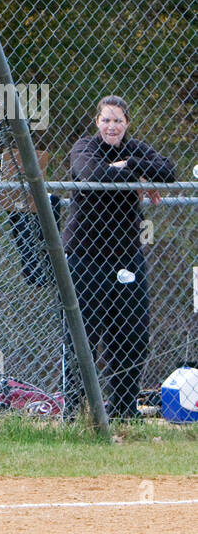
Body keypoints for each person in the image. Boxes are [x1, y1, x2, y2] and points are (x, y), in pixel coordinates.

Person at [62, 95, 175, 421]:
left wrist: (128, 166)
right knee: (83, 335)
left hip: (127, 256)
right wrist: (134, 177)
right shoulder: (84, 147)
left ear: (127, 123)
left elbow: (167, 170)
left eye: (118, 121)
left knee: (132, 335)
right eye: (106, 120)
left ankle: (125, 409)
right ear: (97, 122)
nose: (112, 126)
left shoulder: (134, 149)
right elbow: (93, 174)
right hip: (86, 257)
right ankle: (74, 414)